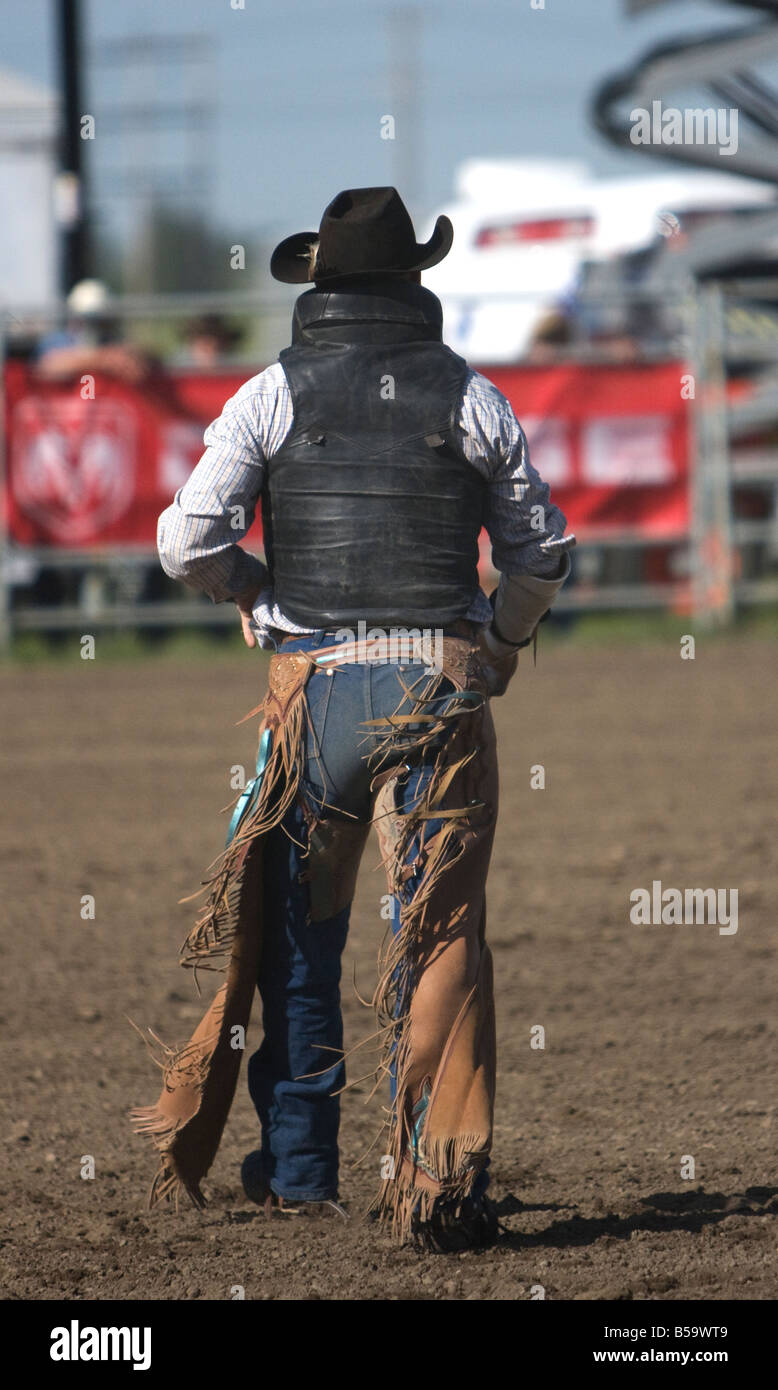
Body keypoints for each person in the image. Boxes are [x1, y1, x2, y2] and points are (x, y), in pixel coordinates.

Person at [137, 187, 574, 1252]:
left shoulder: (268, 393)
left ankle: (296, 1170)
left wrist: (249, 587)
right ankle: (437, 1182)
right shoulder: (471, 394)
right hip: (437, 688)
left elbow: (183, 539)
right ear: (413, 284)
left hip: (312, 692)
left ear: (319, 286)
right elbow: (538, 550)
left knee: (296, 934)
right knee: (438, 935)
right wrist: (503, 644)